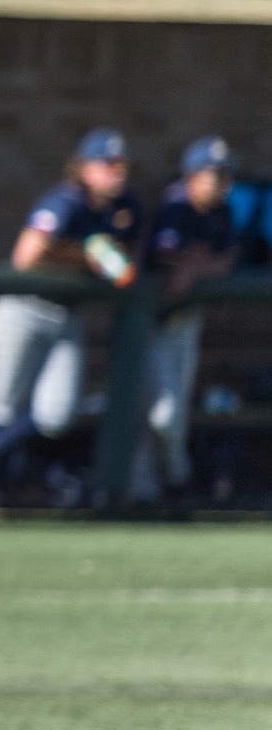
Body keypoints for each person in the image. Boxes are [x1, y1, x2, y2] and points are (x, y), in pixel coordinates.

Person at [0, 128, 143, 509]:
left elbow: (126, 262)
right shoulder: (64, 201)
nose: (116, 172)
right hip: (23, 308)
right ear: (84, 168)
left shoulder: (124, 209)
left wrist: (109, 259)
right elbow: (25, 259)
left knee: (58, 413)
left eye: (121, 165)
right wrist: (84, 256)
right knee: (3, 404)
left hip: (64, 314)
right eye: (107, 165)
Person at [128, 136, 239, 503]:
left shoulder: (220, 211)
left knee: (168, 415)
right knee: (158, 414)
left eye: (225, 176)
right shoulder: (176, 205)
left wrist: (197, 264)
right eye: (214, 174)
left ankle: (157, 490)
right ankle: (170, 481)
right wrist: (195, 263)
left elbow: (225, 259)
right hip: (148, 322)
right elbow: (169, 262)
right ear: (192, 175)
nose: (221, 183)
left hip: (184, 323)